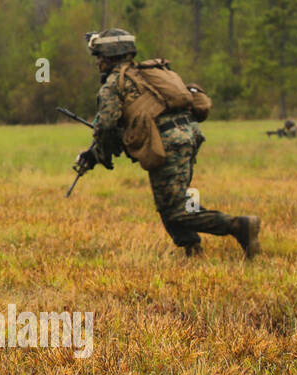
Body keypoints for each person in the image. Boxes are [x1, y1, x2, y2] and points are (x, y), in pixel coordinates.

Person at [76, 28, 261, 259]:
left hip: (168, 143)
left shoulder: (113, 85)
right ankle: (192, 249)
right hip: (189, 134)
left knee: (174, 210)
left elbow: (105, 127)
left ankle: (239, 226)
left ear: (111, 56)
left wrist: (97, 155)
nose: (97, 62)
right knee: (172, 200)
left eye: (99, 56)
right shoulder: (146, 75)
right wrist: (98, 152)